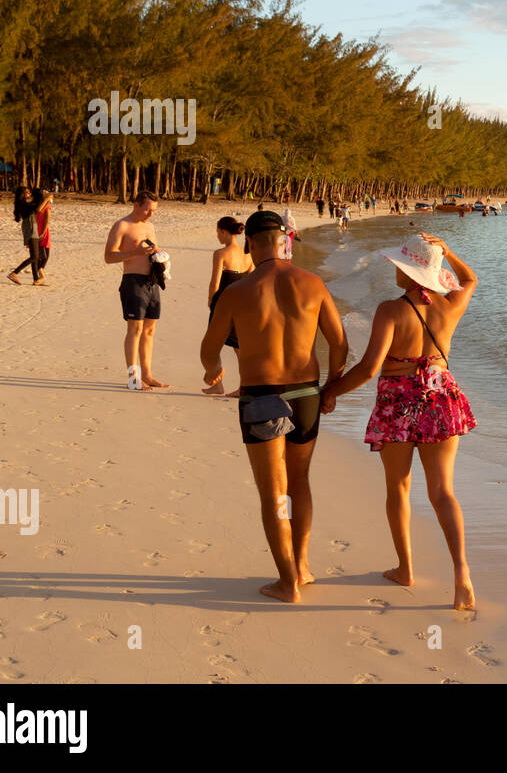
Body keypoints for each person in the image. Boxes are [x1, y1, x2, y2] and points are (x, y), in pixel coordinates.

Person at [321, 232, 478, 610]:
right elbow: (470, 279)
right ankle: (462, 574)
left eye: (398, 265)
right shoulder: (450, 305)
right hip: (441, 395)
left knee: (399, 487)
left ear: (408, 272)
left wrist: (331, 392)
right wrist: (447, 252)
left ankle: (405, 568)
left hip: (399, 401)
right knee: (443, 492)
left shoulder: (390, 310)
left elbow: (370, 367)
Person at [201, 210, 349, 603]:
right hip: (305, 395)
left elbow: (209, 348)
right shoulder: (312, 283)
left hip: (261, 396)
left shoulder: (236, 292)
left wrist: (212, 372)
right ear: (284, 240)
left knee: (273, 493)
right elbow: (339, 343)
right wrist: (332, 386)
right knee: (299, 482)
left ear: (249, 243)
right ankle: (301, 566)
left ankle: (287, 583)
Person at [104, 191, 167, 389]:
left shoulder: (150, 226)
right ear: (136, 205)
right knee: (135, 329)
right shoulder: (122, 225)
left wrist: (159, 254)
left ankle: (147, 375)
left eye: (154, 210)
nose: (150, 214)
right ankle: (133, 378)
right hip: (132, 281)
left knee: (149, 330)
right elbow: (109, 256)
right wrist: (135, 253)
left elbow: (152, 250)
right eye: (147, 209)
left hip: (152, 281)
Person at [203, 217, 254, 397]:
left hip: (223, 303)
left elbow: (215, 283)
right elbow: (251, 280)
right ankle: (244, 387)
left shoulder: (220, 253)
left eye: (218, 232)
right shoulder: (247, 254)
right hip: (242, 304)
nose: (217, 236)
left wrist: (211, 301)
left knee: (213, 345)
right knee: (240, 348)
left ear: (223, 232)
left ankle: (217, 383)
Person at [9, 186, 52, 286]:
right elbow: (38, 209)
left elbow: (38, 207)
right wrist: (47, 199)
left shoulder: (22, 203)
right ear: (23, 194)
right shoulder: (23, 203)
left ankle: (36, 279)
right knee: (34, 256)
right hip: (30, 228)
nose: (29, 194)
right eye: (27, 193)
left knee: (34, 256)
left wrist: (46, 200)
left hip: (31, 227)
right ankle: (14, 273)